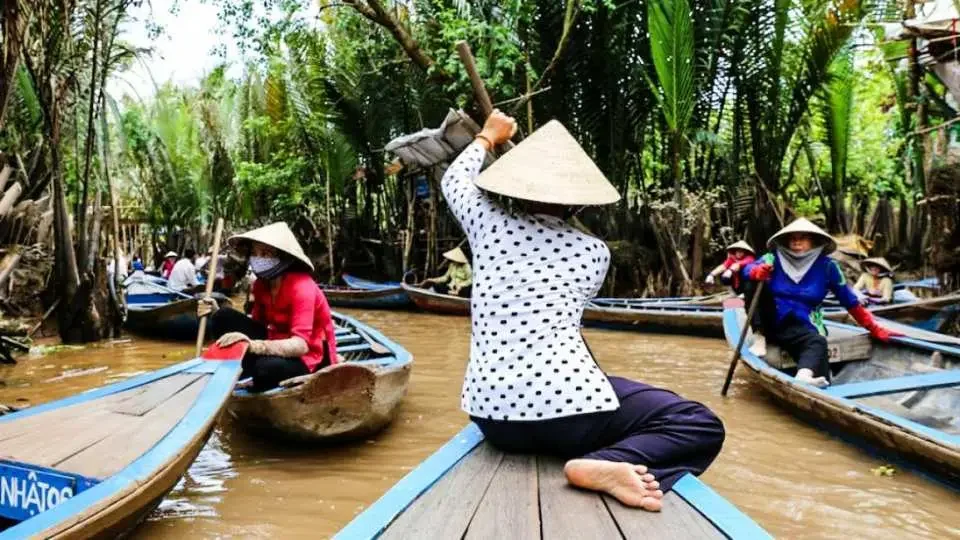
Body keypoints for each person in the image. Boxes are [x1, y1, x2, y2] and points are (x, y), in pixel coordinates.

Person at [440, 110, 724, 512]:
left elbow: (455, 181)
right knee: (697, 423)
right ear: (579, 203)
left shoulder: (487, 222)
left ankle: (605, 462)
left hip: (493, 419)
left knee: (603, 384)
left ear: (515, 191)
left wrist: (488, 136)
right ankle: (607, 462)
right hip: (569, 418)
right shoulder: (594, 253)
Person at [742, 218, 900, 387]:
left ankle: (804, 378)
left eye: (803, 237)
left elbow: (849, 301)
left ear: (814, 241)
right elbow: (746, 270)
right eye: (793, 237)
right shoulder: (772, 259)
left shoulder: (828, 267)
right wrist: (756, 272)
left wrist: (874, 328)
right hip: (769, 319)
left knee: (817, 343)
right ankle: (759, 336)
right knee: (751, 281)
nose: (796, 241)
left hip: (799, 326)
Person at [198, 222, 337, 393]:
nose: (258, 259)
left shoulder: (302, 287)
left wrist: (254, 346)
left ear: (283, 257)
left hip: (310, 356)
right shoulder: (260, 285)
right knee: (223, 316)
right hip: (275, 341)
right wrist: (214, 312)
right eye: (255, 254)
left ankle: (253, 376)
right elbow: (258, 326)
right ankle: (243, 372)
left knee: (265, 368)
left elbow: (301, 345)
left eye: (265, 253)